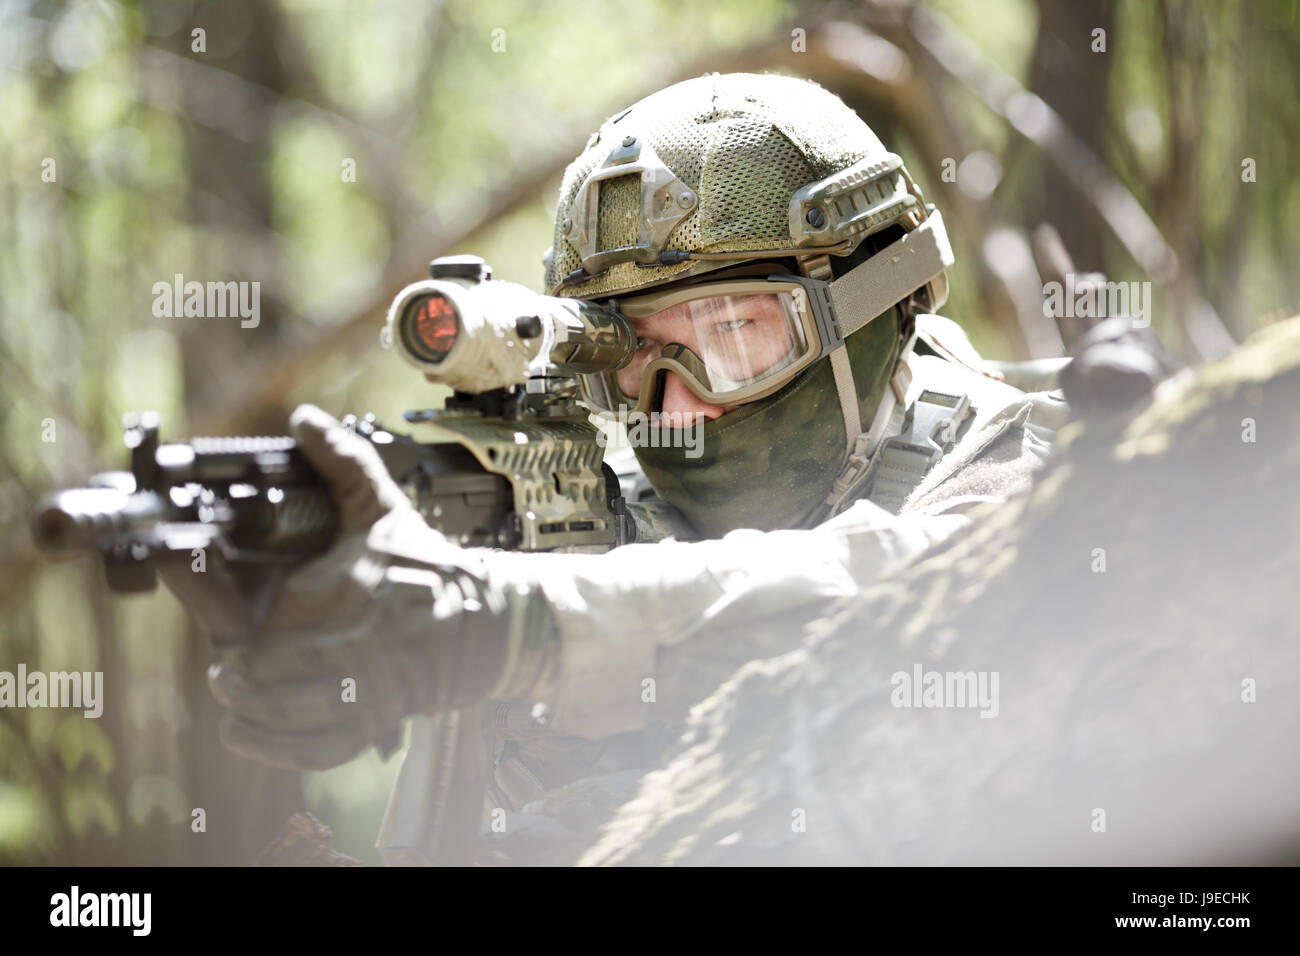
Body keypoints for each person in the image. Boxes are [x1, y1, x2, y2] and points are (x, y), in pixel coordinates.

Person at [163, 72, 1067, 863]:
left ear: (870, 306)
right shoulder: (596, 511)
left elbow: (900, 601)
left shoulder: (1024, 465)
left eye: (731, 336)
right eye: (635, 357)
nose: (676, 409)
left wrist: (511, 626)